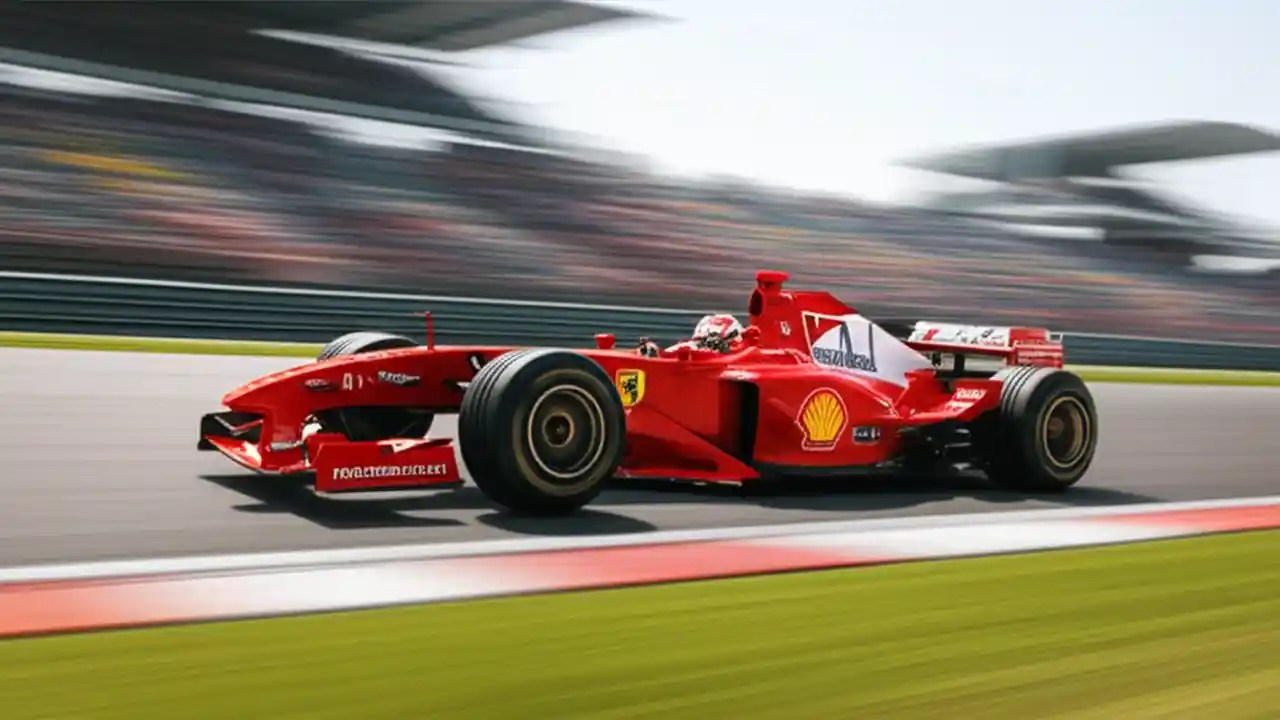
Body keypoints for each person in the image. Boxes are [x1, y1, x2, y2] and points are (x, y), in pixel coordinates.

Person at [638, 313, 745, 357]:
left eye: (713, 341)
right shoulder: (689, 347)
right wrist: (656, 354)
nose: (710, 344)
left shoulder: (743, 353)